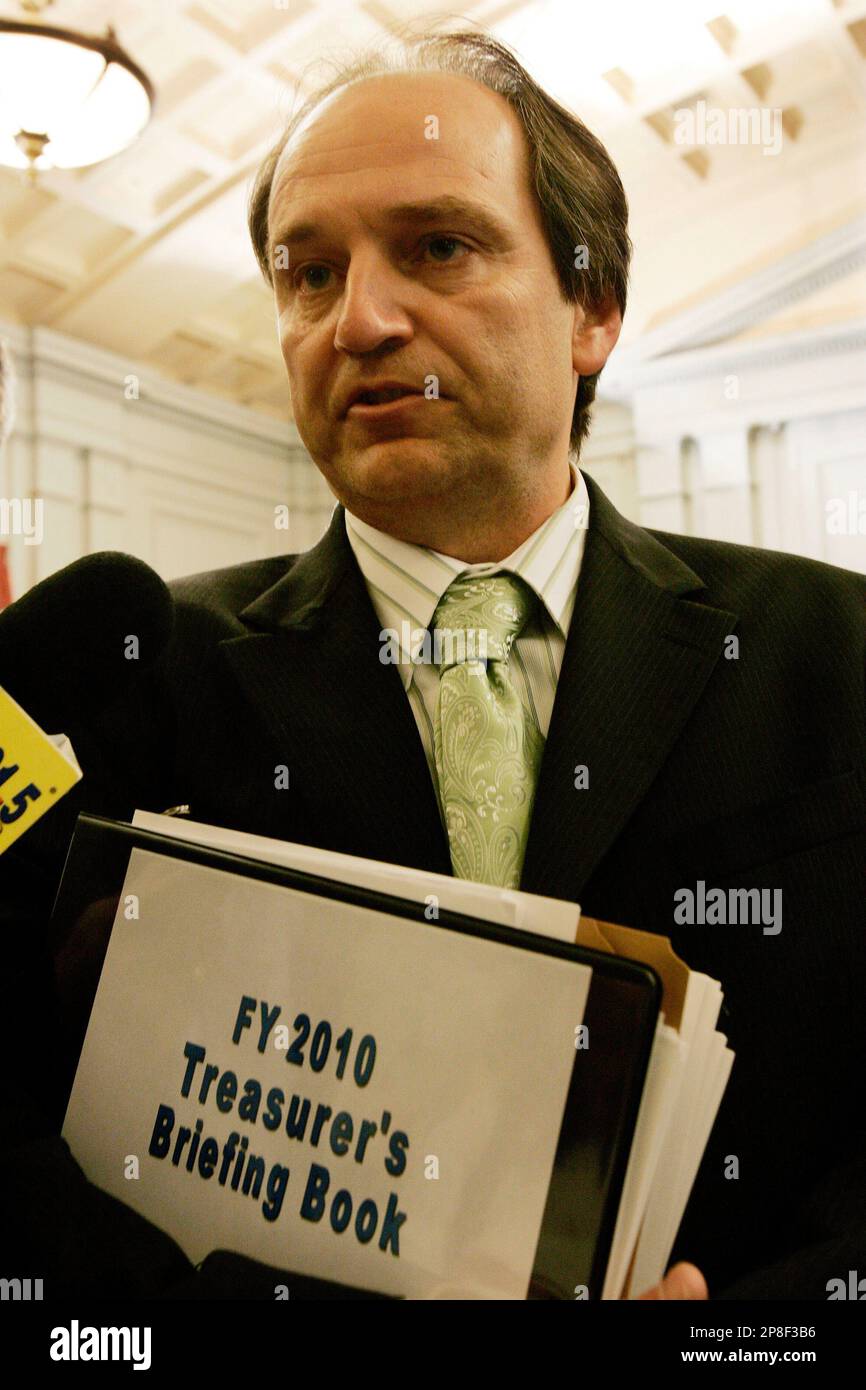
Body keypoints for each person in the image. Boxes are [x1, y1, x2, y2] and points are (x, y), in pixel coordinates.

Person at [1, 29, 864, 1302]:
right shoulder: (128, 679)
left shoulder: (836, 654)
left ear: (590, 307)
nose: (357, 317)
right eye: (306, 272)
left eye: (438, 247)